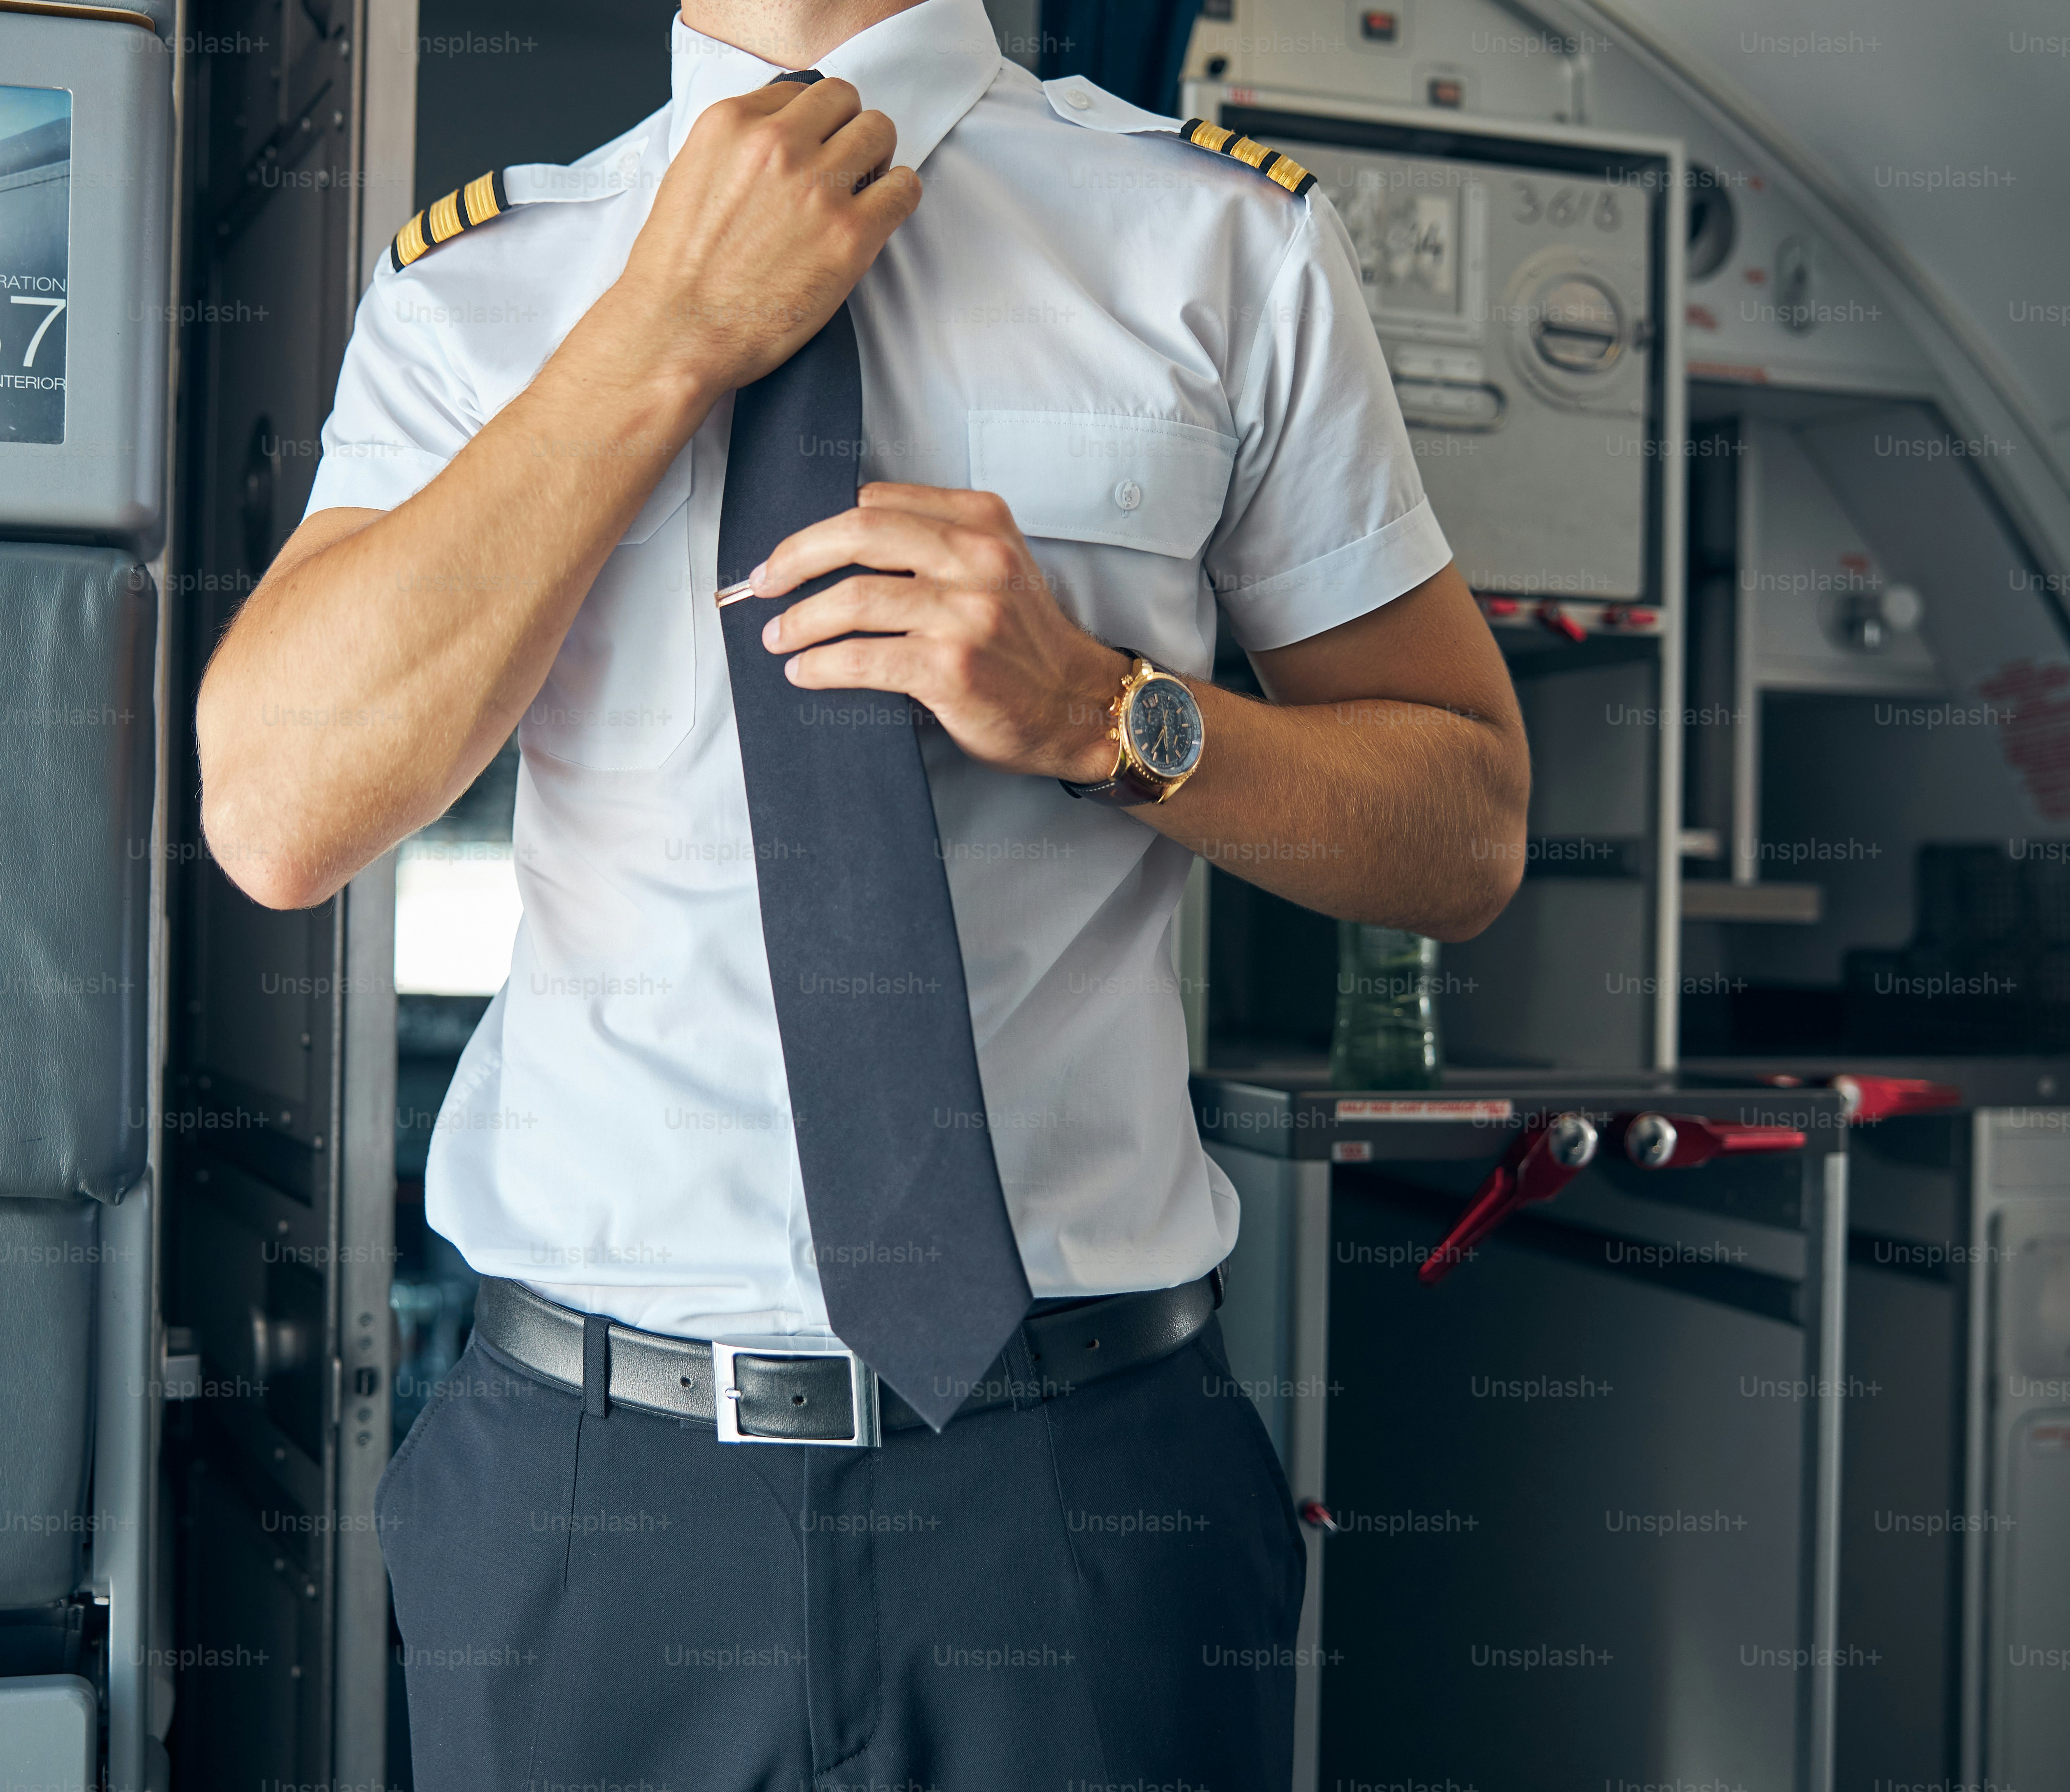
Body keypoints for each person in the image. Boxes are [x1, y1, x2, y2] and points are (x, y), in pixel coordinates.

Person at [194, 0, 1529, 1783]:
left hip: (1079, 1499)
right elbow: (279, 814)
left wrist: (1109, 717)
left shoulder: (1219, 242)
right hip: (596, 1515)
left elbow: (1466, 827)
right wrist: (661, 338)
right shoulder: (480, 290)